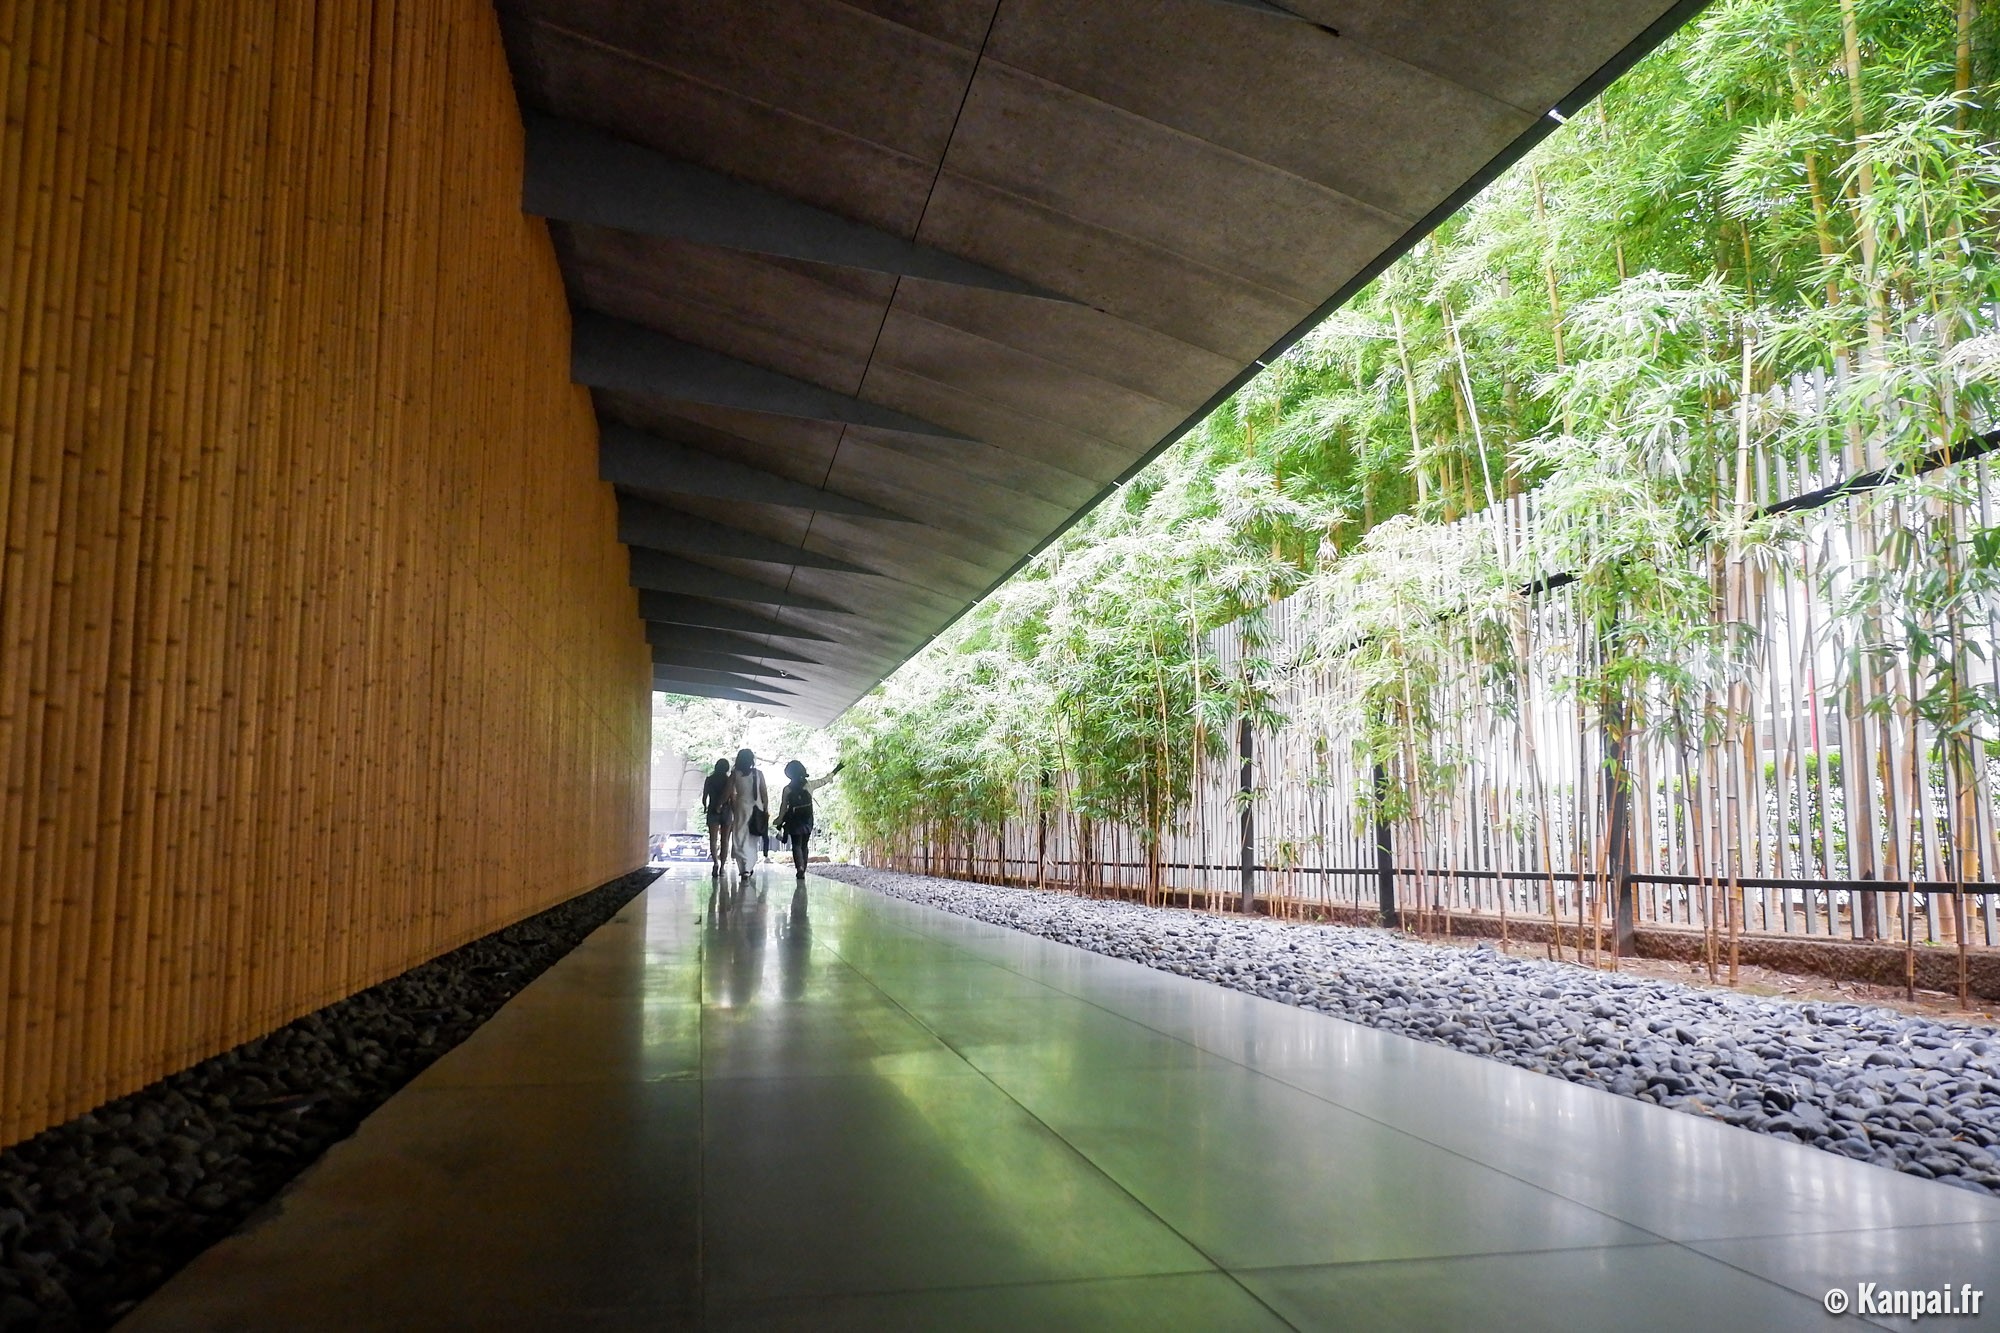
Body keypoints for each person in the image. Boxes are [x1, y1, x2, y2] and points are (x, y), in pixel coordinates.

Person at [774, 759, 842, 878]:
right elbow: (824, 780)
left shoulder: (787, 789)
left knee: (796, 844)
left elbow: (783, 807)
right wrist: (836, 770)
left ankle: (799, 868)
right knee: (804, 845)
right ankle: (803, 869)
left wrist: (779, 820)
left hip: (794, 820)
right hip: (807, 819)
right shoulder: (809, 785)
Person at [726, 748, 768, 880]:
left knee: (739, 837)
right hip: (757, 809)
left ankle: (744, 867)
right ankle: (748, 866)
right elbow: (764, 794)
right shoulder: (758, 774)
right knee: (752, 839)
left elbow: (728, 792)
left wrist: (722, 804)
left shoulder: (735, 775)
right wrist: (765, 810)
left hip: (741, 808)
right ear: (751, 760)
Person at [700, 758, 732, 871]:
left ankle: (715, 863)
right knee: (725, 840)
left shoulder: (709, 779)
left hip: (713, 809)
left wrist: (705, 806)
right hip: (727, 810)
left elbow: (704, 797)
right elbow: (732, 796)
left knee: (713, 839)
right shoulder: (728, 780)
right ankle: (722, 866)